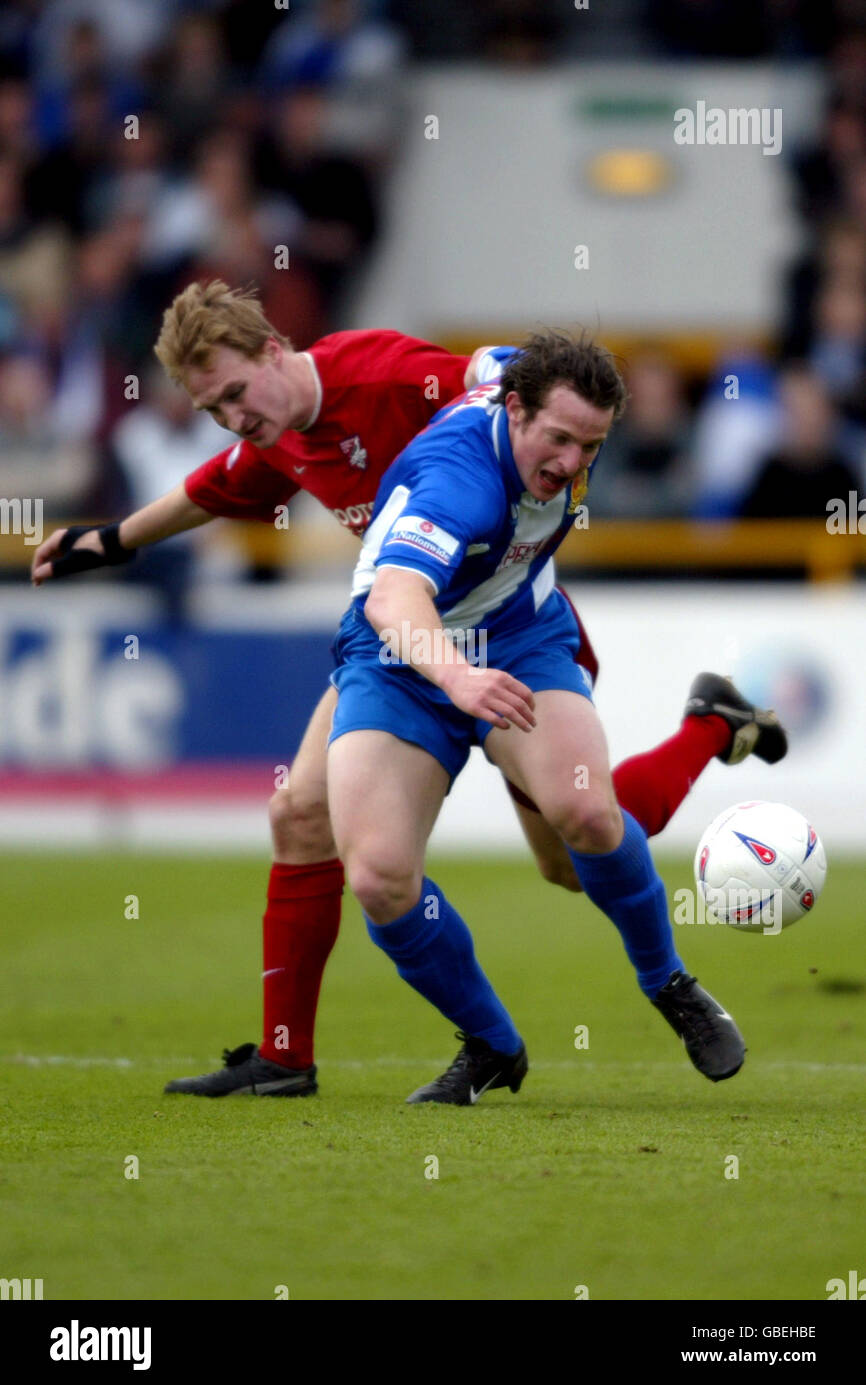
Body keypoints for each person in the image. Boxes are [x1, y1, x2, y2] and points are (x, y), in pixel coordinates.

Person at [30, 283, 786, 1099]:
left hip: (510, 631)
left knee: (578, 838)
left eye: (235, 395)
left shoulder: (396, 378)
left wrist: (505, 377)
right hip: (403, 639)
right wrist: (110, 540)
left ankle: (706, 739)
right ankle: (297, 1055)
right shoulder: (277, 430)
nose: (232, 417)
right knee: (321, 828)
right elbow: (221, 487)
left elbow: (485, 375)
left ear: (275, 353)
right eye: (214, 407)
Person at [325, 329, 755, 1104]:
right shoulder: (462, 481)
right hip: (400, 656)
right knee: (381, 878)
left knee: (587, 816)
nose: (569, 463)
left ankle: (670, 985)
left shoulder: (516, 383)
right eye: (558, 439)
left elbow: (490, 357)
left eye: (590, 447)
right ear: (514, 412)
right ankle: (492, 1044)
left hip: (521, 639)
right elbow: (393, 598)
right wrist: (457, 678)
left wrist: (477, 669)